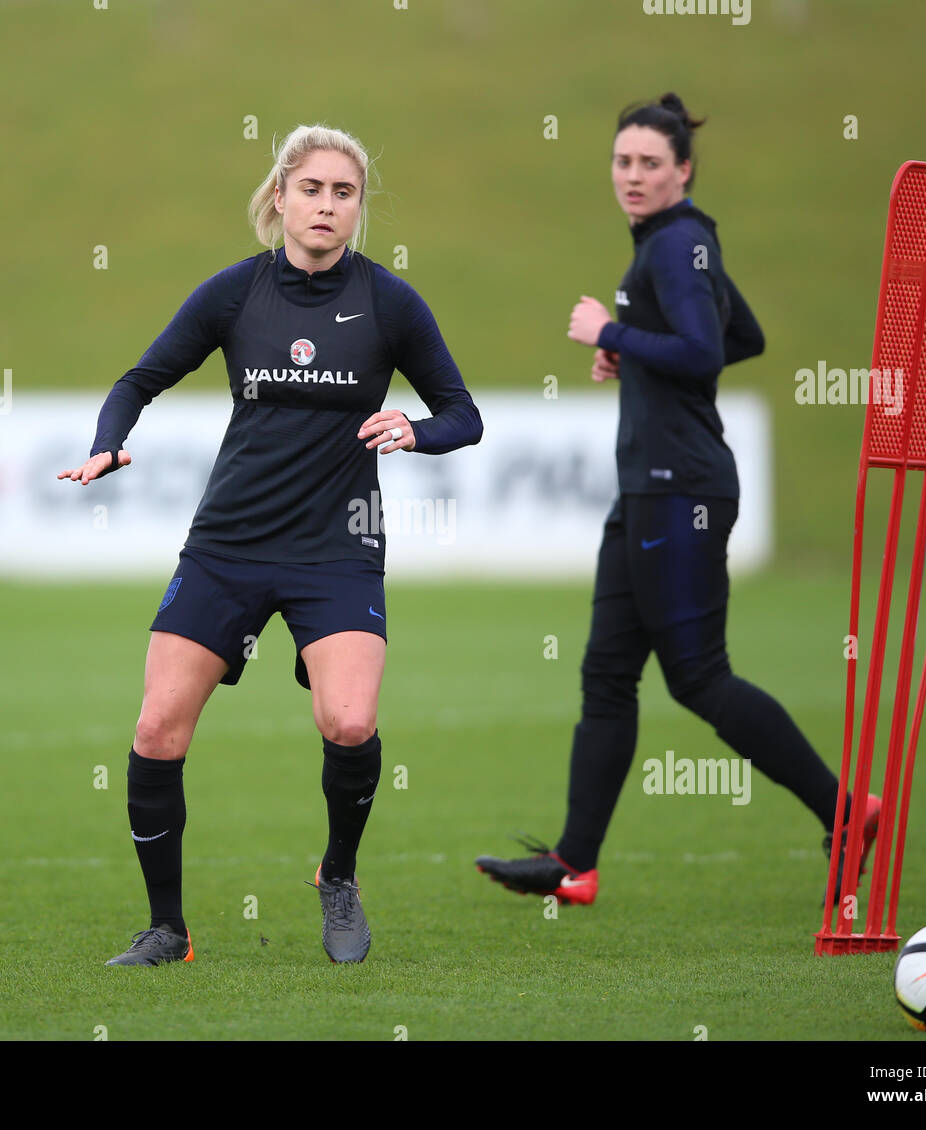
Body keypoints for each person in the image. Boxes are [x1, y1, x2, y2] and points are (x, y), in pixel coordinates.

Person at [58, 123, 482, 965]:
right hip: (229, 542)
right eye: (314, 189)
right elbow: (138, 379)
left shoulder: (391, 303)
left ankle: (339, 877)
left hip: (339, 547)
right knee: (156, 732)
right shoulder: (235, 294)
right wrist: (108, 441)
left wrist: (419, 429)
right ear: (280, 196)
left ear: (359, 208)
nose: (328, 206)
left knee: (351, 723)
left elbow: (464, 414)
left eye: (345, 193)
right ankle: (167, 930)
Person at [475, 93, 878, 908]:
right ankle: (573, 862)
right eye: (622, 161)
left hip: (679, 490)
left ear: (682, 171)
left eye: (649, 163)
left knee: (698, 678)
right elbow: (743, 337)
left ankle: (845, 809)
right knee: (608, 674)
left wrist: (612, 335)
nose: (632, 175)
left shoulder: (677, 243)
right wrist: (641, 357)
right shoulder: (679, 244)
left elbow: (702, 350)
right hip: (649, 490)